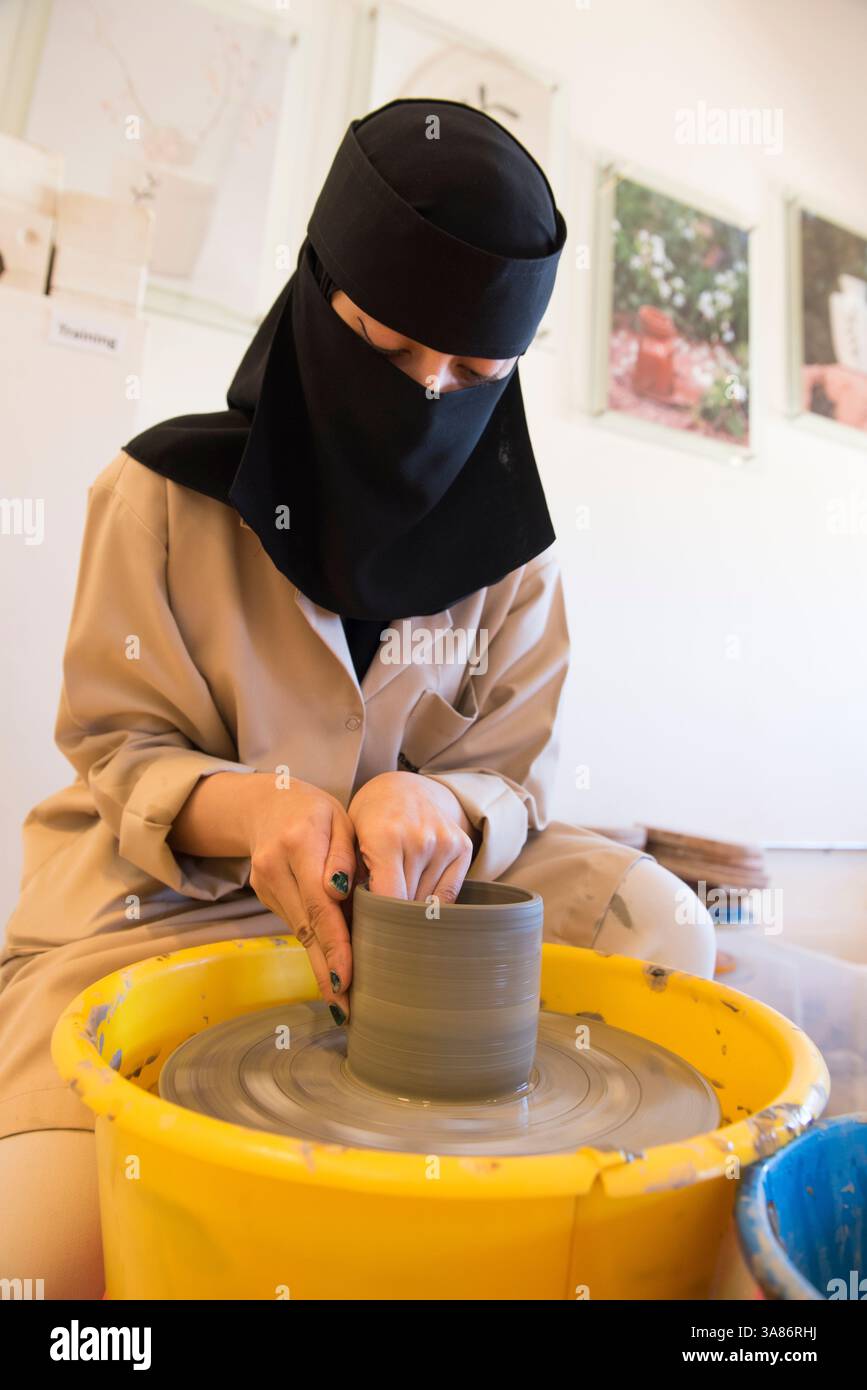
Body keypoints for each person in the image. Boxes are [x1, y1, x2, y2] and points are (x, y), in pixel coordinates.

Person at [0, 99, 714, 1297]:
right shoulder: (159, 497)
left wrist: (441, 804)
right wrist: (252, 805)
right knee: (47, 1267)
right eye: (387, 353)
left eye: (477, 371)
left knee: (667, 929)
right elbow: (114, 741)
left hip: (437, 906)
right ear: (315, 294)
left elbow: (516, 772)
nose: (431, 395)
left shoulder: (516, 558)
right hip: (172, 902)